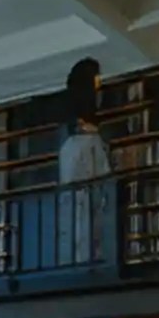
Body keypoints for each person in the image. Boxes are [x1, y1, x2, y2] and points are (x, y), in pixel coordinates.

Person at [57, 57, 111, 265]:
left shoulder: (81, 140)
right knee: (82, 219)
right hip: (83, 189)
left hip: (86, 189)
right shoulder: (80, 141)